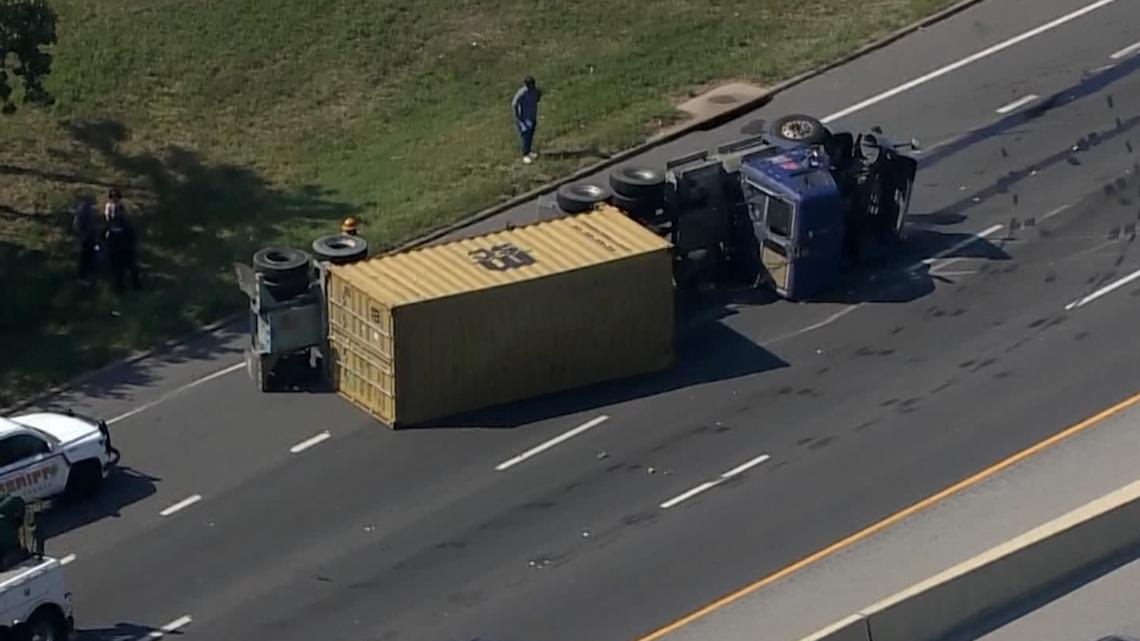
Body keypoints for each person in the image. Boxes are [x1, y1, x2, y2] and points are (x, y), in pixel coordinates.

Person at [103, 187, 141, 291]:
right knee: (117, 264)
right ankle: (120, 286)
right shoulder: (109, 207)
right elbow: (108, 221)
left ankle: (136, 284)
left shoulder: (123, 207)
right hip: (115, 237)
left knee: (131, 262)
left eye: (116, 197)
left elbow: (128, 221)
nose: (115, 199)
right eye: (113, 197)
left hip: (124, 237)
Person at [510, 76, 543, 164]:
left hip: (532, 116)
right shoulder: (522, 93)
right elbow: (514, 104)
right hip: (524, 118)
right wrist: (517, 116)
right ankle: (525, 154)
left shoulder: (535, 91)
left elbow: (539, 95)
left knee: (530, 134)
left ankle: (528, 151)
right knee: (525, 136)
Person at [72, 194, 99, 281]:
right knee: (84, 258)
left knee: (89, 256)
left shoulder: (89, 210)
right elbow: (77, 225)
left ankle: (88, 275)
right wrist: (83, 234)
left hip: (90, 237)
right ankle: (82, 276)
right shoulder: (83, 211)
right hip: (86, 238)